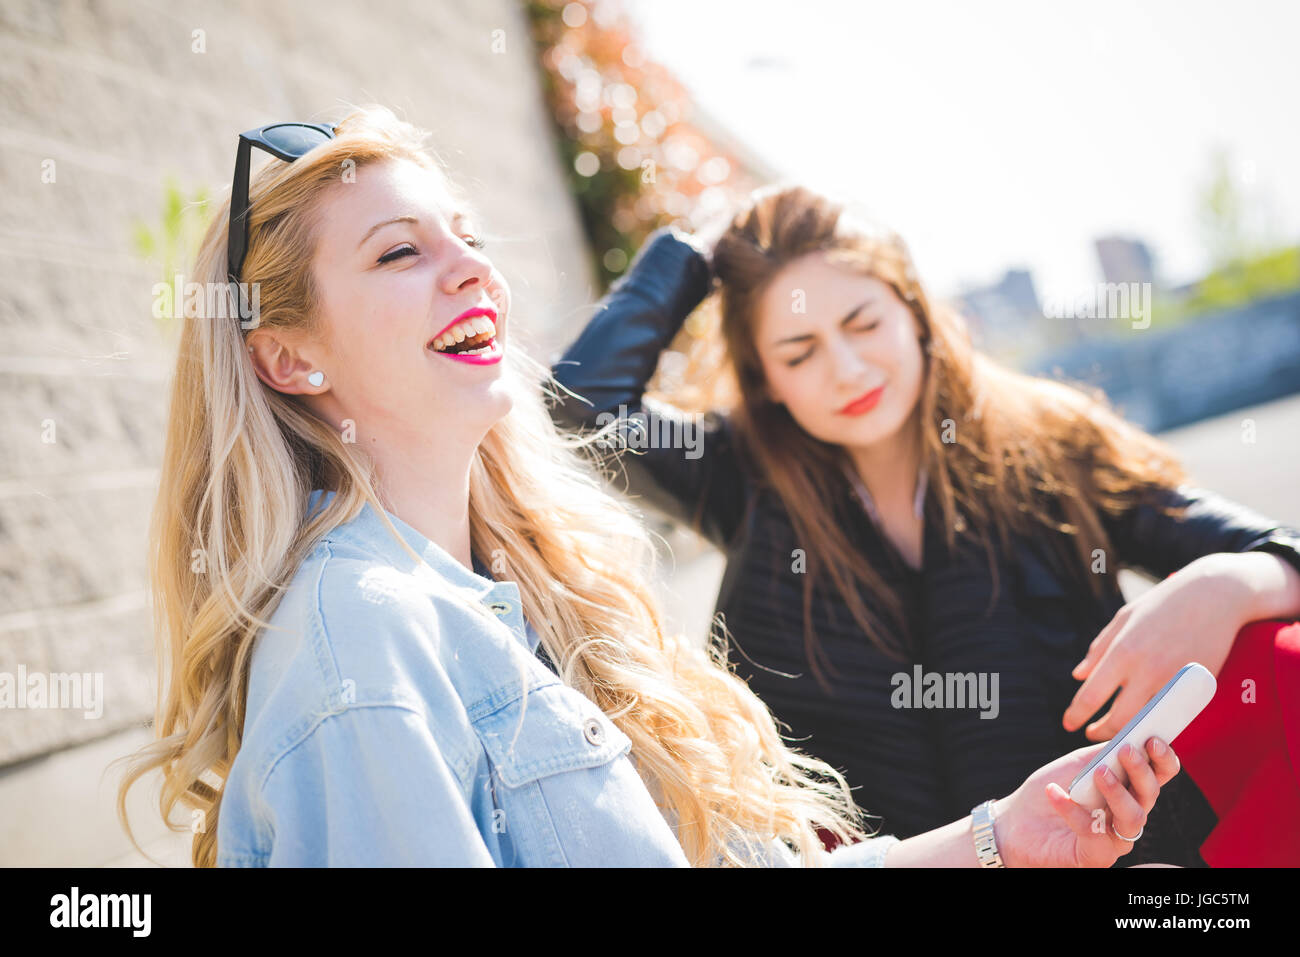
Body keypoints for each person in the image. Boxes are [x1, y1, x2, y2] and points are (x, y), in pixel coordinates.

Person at [114, 108, 1181, 868]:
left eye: (468, 237)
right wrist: (699, 247)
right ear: (291, 359)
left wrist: (999, 841)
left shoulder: (528, 588)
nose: (472, 268)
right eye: (401, 253)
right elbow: (587, 405)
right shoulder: (360, 644)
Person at [549, 184, 1300, 866]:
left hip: (1097, 849)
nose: (846, 368)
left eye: (863, 321)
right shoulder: (738, 475)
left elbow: (1276, 549)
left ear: (913, 310)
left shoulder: (1050, 444)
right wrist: (704, 246)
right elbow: (580, 400)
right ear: (766, 381)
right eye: (799, 351)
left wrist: (1228, 582)